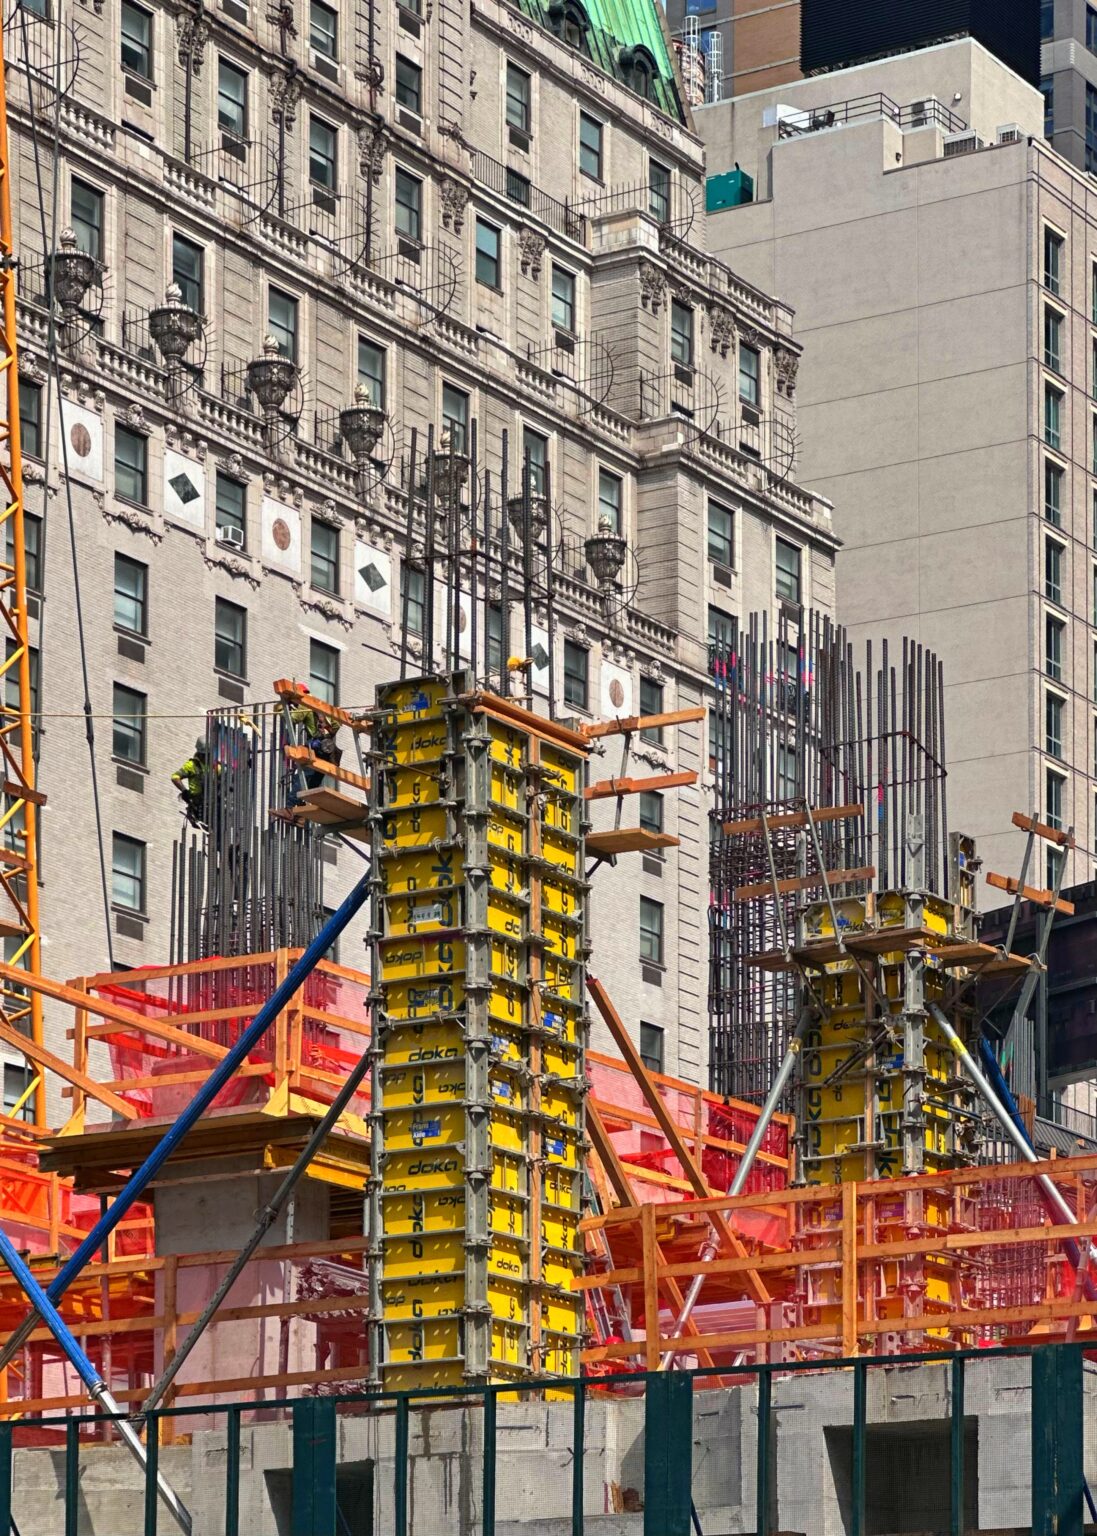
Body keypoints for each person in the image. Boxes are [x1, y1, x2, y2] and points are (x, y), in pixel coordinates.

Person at [290, 703, 342, 791]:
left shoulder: (306, 705)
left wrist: (282, 710)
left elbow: (293, 718)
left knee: (302, 780)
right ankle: (303, 802)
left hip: (316, 748)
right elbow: (336, 726)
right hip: (326, 751)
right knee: (313, 782)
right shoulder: (326, 710)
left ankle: (292, 803)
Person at [172, 739, 210, 826]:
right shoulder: (191, 765)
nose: (206, 757)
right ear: (200, 754)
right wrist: (184, 791)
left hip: (211, 803)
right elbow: (175, 777)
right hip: (198, 803)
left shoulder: (213, 766)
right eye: (204, 755)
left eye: (208, 755)